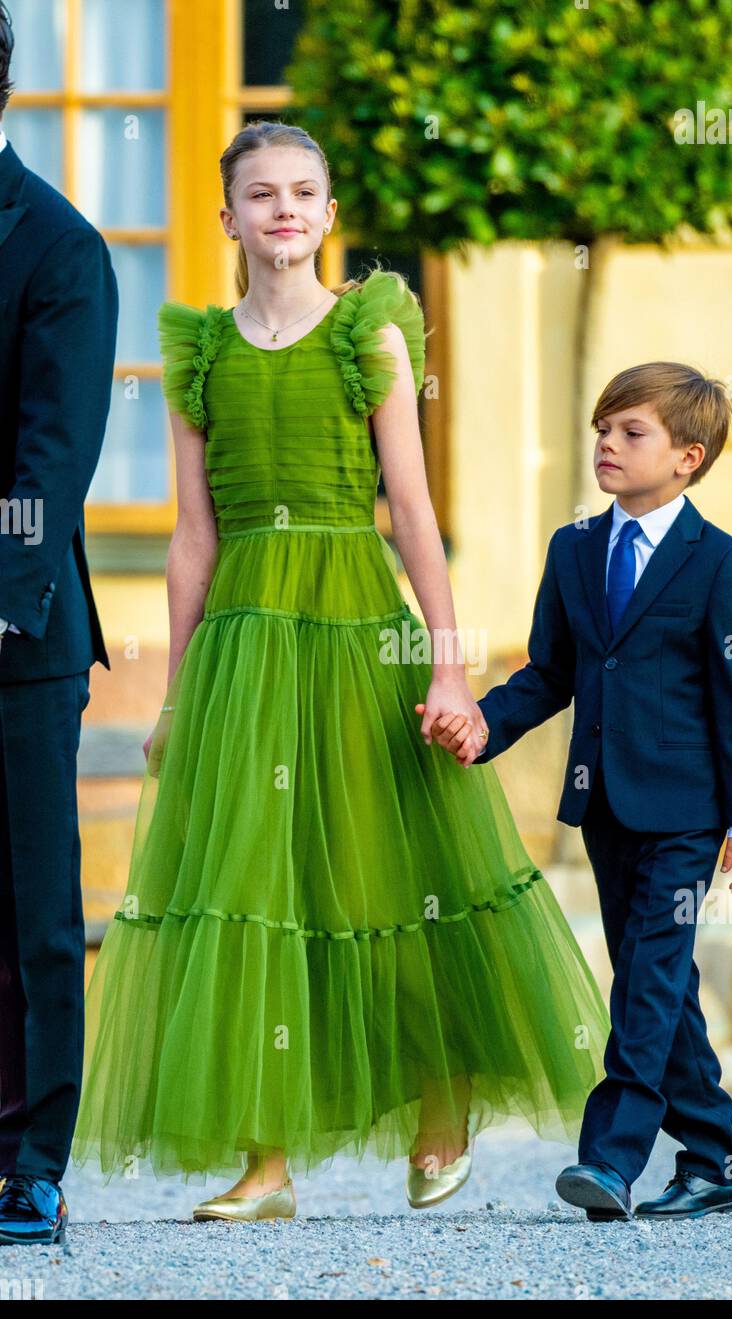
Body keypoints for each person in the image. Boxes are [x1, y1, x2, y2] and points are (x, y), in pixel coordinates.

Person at [70, 121, 610, 1221]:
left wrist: (451, 671)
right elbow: (190, 538)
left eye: (303, 191)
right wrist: (179, 694)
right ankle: (265, 1165)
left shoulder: (369, 334)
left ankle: (438, 1105)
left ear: (326, 214)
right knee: (250, 886)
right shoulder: (201, 351)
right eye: (259, 193)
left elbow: (411, 511)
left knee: (388, 866)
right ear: (226, 217)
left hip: (363, 624)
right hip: (245, 644)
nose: (282, 209)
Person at [426, 362, 732, 1221]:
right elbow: (551, 673)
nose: (607, 446)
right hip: (605, 808)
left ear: (688, 458)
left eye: (631, 433)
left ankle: (610, 1161)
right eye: (602, 430)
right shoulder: (575, 549)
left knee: (645, 985)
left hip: (688, 814)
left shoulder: (719, 562)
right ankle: (715, 1157)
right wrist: (483, 725)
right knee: (659, 981)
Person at [0, 1, 117, 1245]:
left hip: (15, 638)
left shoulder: (61, 248)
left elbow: (51, 460)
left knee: (29, 911)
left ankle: (29, 1162)